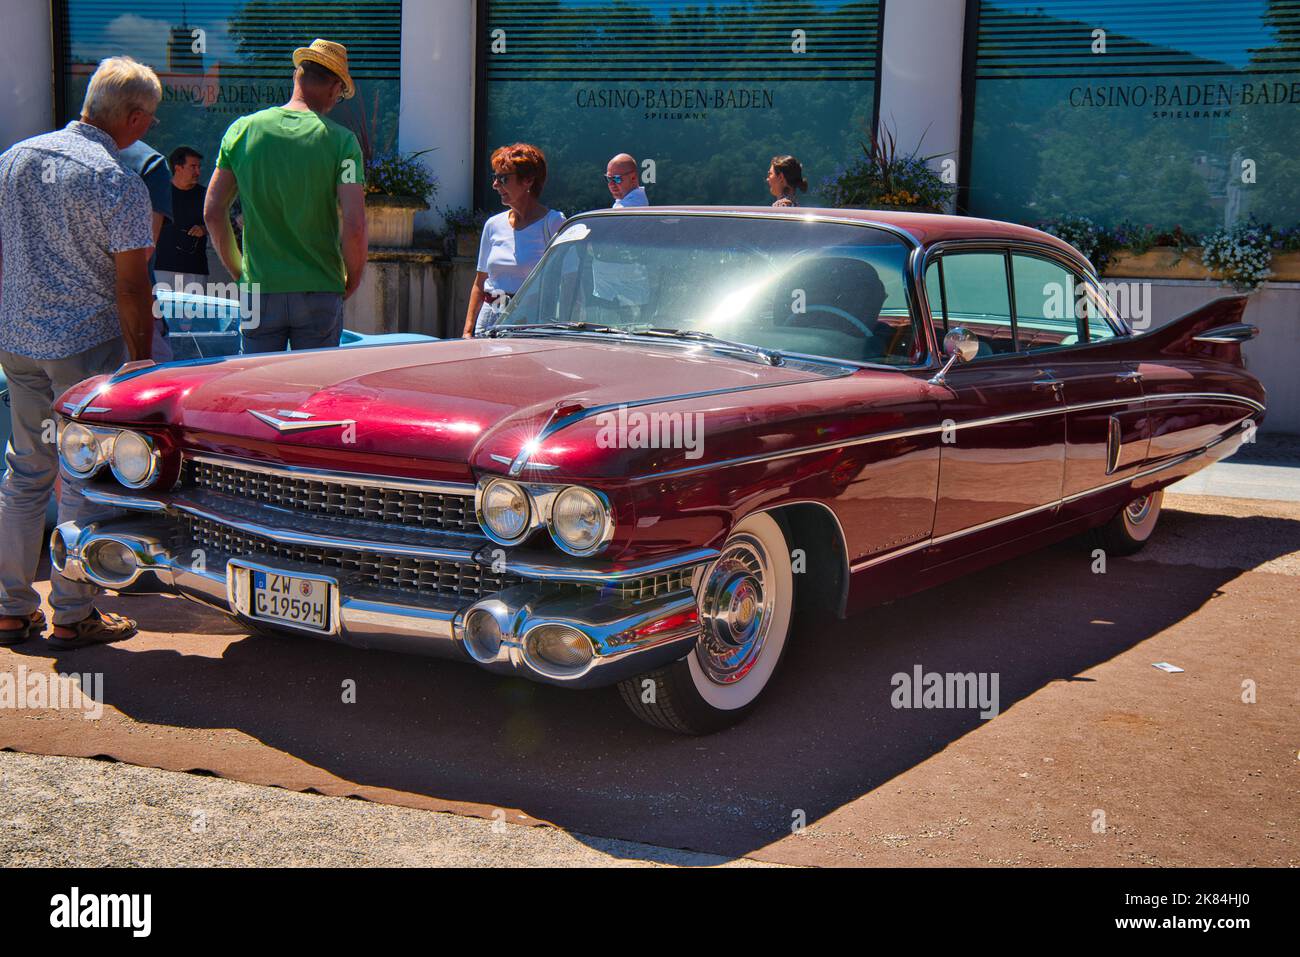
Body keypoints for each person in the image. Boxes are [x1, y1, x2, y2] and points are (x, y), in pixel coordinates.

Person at [0, 56, 159, 649]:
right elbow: (132, 285)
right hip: (82, 348)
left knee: (25, 468)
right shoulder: (116, 180)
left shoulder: (13, 159)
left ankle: (10, 607)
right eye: (150, 119)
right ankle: (71, 611)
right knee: (85, 478)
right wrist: (141, 358)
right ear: (135, 118)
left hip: (19, 342)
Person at [204, 38, 367, 353]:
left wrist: (241, 272)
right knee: (314, 391)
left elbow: (213, 212)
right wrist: (352, 278)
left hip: (259, 288)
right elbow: (355, 222)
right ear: (334, 88)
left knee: (261, 394)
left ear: (297, 77)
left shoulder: (242, 131)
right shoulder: (343, 143)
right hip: (320, 287)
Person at [463, 143, 565, 337]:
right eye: (495, 177)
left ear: (528, 181)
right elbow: (480, 281)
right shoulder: (493, 225)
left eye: (503, 178)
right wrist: (467, 331)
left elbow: (569, 280)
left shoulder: (553, 222)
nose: (495, 185)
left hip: (530, 322)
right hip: (489, 318)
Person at [119, 137, 174, 361]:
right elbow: (143, 251)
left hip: (35, 331)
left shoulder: (33, 156)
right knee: (152, 386)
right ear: (135, 117)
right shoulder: (148, 163)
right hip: (129, 313)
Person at [155, 146, 209, 290]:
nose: (198, 172)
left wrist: (205, 229)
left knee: (193, 312)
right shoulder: (159, 194)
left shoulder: (207, 196)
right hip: (161, 268)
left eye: (199, 167)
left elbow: (221, 223)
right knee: (161, 312)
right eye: (193, 167)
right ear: (178, 168)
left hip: (194, 269)